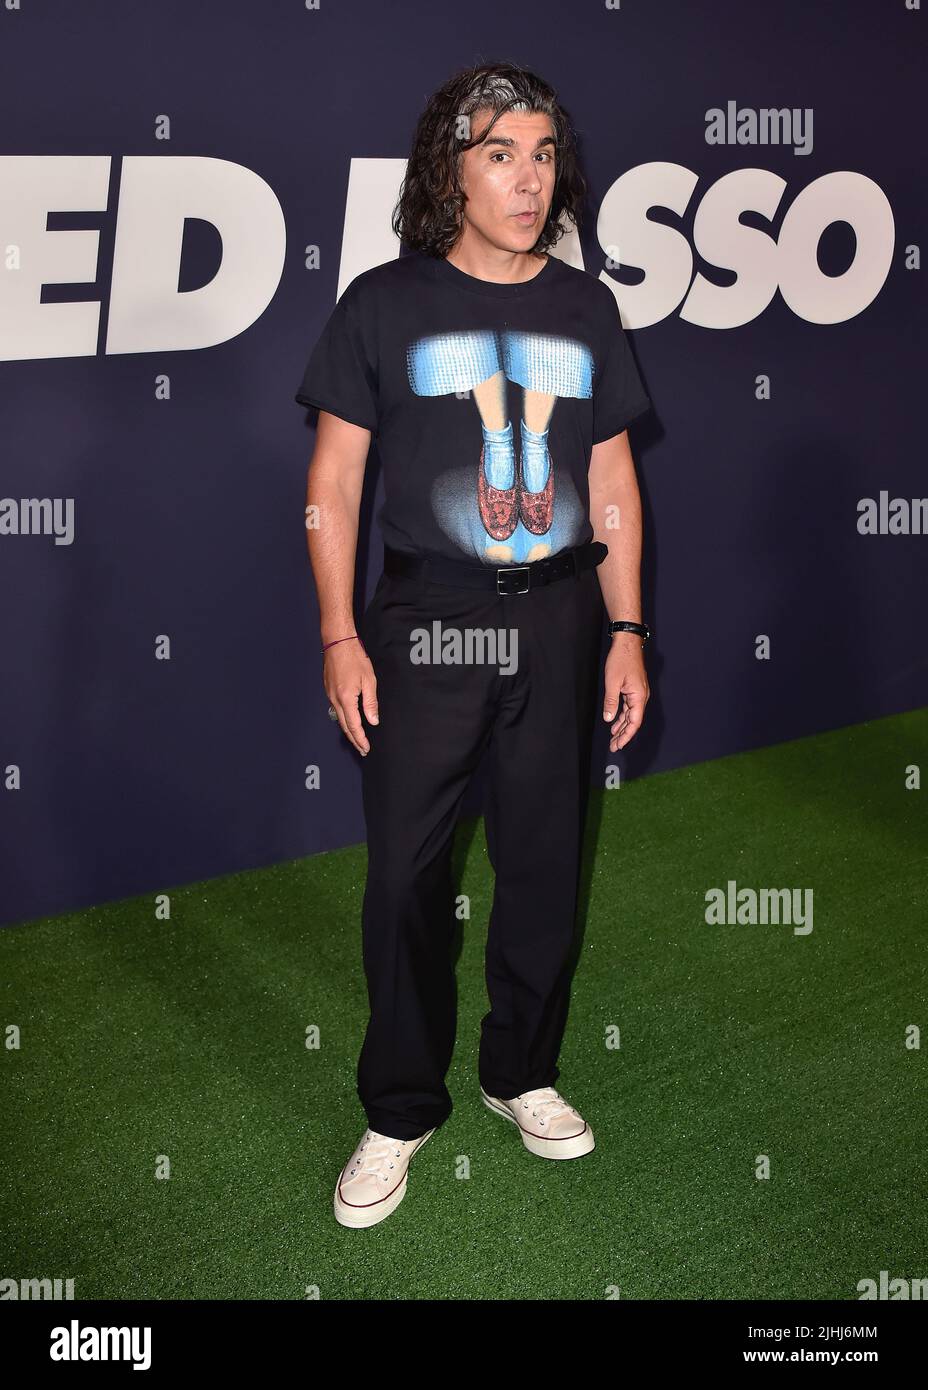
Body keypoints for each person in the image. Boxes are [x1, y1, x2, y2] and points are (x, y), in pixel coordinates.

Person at [294, 61, 653, 1229]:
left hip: (560, 612)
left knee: (545, 863)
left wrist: (628, 628)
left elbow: (610, 480)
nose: (528, 179)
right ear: (448, 172)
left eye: (544, 153)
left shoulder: (586, 308)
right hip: (426, 617)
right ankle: (399, 1105)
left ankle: (520, 1071)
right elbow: (335, 480)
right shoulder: (383, 303)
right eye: (500, 153)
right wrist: (340, 632)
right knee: (405, 874)